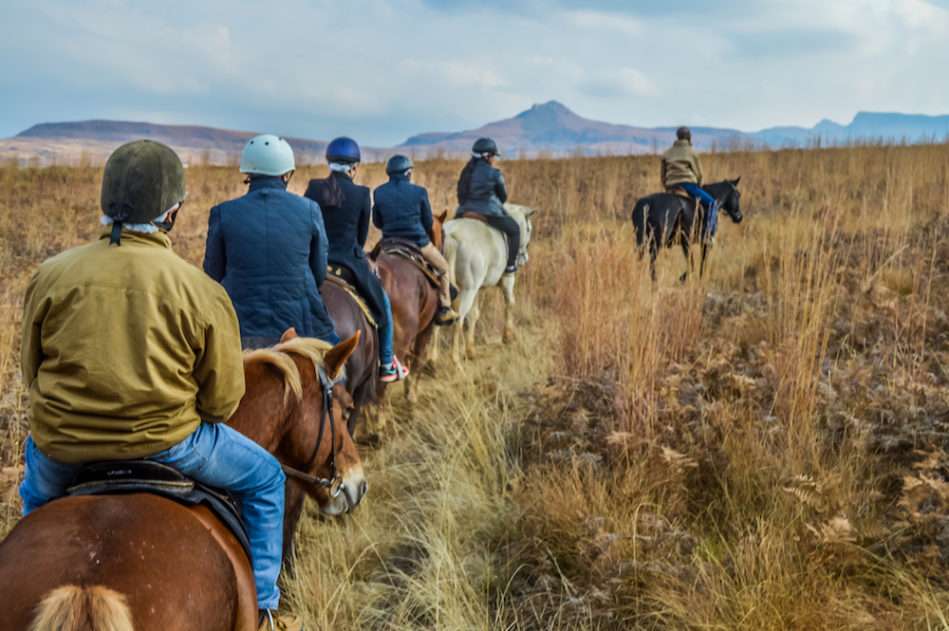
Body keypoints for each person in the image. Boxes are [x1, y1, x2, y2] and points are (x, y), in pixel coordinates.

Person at [19, 139, 299, 631]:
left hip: (62, 448)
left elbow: (30, 372)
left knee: (33, 517)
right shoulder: (201, 291)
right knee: (267, 479)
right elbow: (222, 401)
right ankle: (266, 609)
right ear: (172, 213)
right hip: (171, 445)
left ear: (107, 205)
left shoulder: (51, 274)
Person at [204, 134, 339, 349]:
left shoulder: (223, 212)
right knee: (337, 359)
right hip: (300, 324)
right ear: (286, 174)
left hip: (238, 326)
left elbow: (212, 273)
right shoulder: (310, 209)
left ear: (249, 172)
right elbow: (319, 273)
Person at [304, 136, 408, 382]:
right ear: (354, 167)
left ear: (329, 163)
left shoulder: (313, 187)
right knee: (382, 306)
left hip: (312, 264)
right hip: (349, 264)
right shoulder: (362, 193)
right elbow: (360, 239)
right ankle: (386, 363)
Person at [372, 154, 458, 325]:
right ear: (408, 173)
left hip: (388, 244)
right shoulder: (419, 192)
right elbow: (427, 222)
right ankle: (445, 308)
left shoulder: (379, 192)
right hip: (418, 243)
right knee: (443, 268)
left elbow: (377, 222)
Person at [456, 137, 519, 274]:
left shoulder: (465, 172)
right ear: (486, 156)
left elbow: (460, 194)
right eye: (493, 156)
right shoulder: (495, 173)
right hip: (488, 213)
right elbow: (503, 197)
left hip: (463, 211)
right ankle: (510, 266)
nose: (494, 160)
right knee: (515, 230)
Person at [661, 126, 718, 242]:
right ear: (687, 137)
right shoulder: (691, 152)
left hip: (671, 185)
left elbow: (662, 174)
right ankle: (708, 234)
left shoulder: (667, 153)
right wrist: (698, 186)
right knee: (712, 204)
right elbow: (699, 174)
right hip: (687, 185)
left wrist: (666, 186)